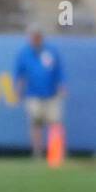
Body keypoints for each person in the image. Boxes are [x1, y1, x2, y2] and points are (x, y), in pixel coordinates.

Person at [13, 29, 66, 159]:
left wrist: (62, 85)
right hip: (33, 94)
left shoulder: (51, 51)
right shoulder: (24, 53)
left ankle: (56, 152)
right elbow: (20, 74)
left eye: (37, 36)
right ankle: (37, 152)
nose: (35, 39)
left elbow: (59, 71)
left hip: (51, 93)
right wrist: (18, 90)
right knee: (35, 123)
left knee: (55, 122)